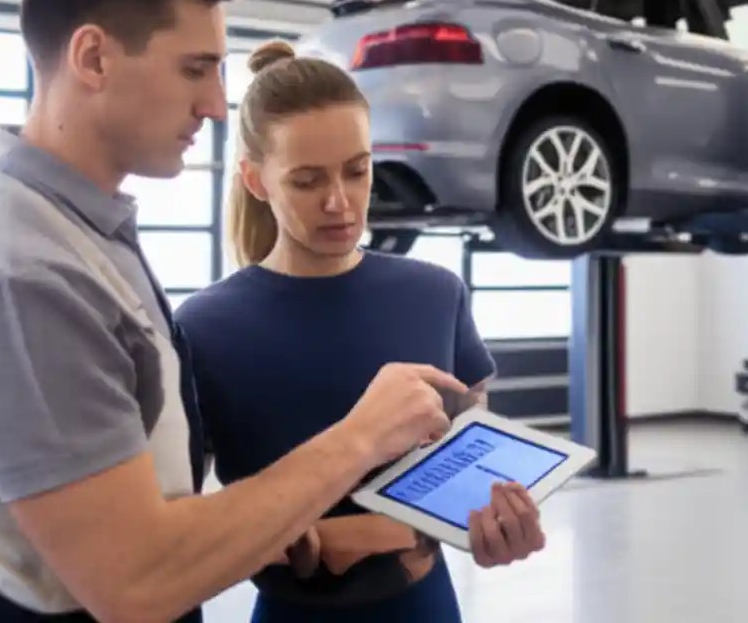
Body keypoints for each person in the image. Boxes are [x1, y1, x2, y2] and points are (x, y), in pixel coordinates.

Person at [0, 0, 470, 622]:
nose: (215, 104)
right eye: (195, 69)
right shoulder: (20, 281)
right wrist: (359, 439)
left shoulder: (82, 240)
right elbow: (135, 581)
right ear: (94, 58)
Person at [173, 40, 549, 623]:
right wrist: (380, 532)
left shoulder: (435, 294)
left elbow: (472, 476)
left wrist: (499, 524)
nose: (338, 202)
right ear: (254, 178)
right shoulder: (202, 329)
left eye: (357, 170)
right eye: (305, 180)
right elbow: (176, 535)